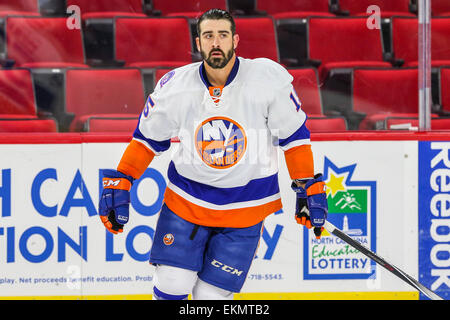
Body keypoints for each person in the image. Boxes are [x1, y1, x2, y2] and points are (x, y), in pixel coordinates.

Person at [98, 9, 328, 300]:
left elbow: (295, 137)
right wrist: (124, 179)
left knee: (211, 297)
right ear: (198, 42)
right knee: (172, 283)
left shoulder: (266, 79)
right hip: (187, 201)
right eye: (208, 36)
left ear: (235, 39)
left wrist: (306, 185)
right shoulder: (175, 86)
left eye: (222, 35)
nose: (215, 42)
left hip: (245, 207)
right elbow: (146, 139)